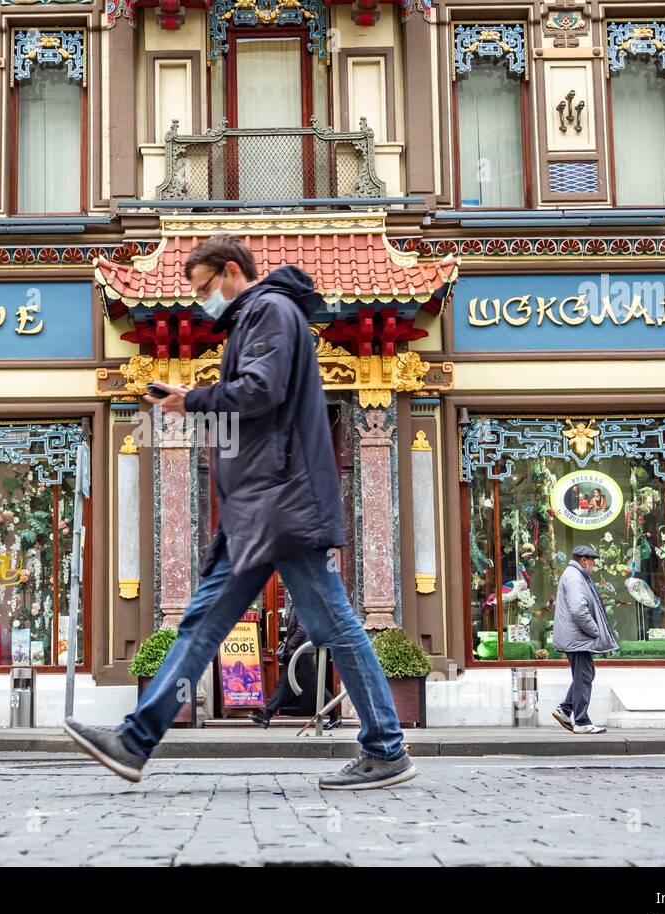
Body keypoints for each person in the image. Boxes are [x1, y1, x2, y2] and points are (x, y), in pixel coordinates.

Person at [64, 235, 414, 790]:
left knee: (332, 627)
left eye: (204, 288)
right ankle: (134, 741)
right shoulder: (262, 315)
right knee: (209, 624)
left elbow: (259, 390)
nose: (202, 300)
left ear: (231, 271)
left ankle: (386, 748)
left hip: (281, 506)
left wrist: (191, 399)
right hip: (262, 506)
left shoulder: (268, 311)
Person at [550, 544, 619, 734]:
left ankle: (565, 710)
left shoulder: (577, 575)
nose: (594, 566)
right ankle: (581, 721)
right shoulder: (574, 577)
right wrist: (595, 630)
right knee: (584, 677)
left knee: (585, 675)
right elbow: (579, 610)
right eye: (593, 562)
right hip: (578, 638)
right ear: (584, 560)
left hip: (577, 637)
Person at [250, 603, 342, 729]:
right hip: (297, 652)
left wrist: (289, 646)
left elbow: (302, 629)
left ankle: (334, 717)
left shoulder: (302, 603)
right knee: (283, 685)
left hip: (302, 652)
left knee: (315, 686)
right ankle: (266, 716)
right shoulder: (299, 602)